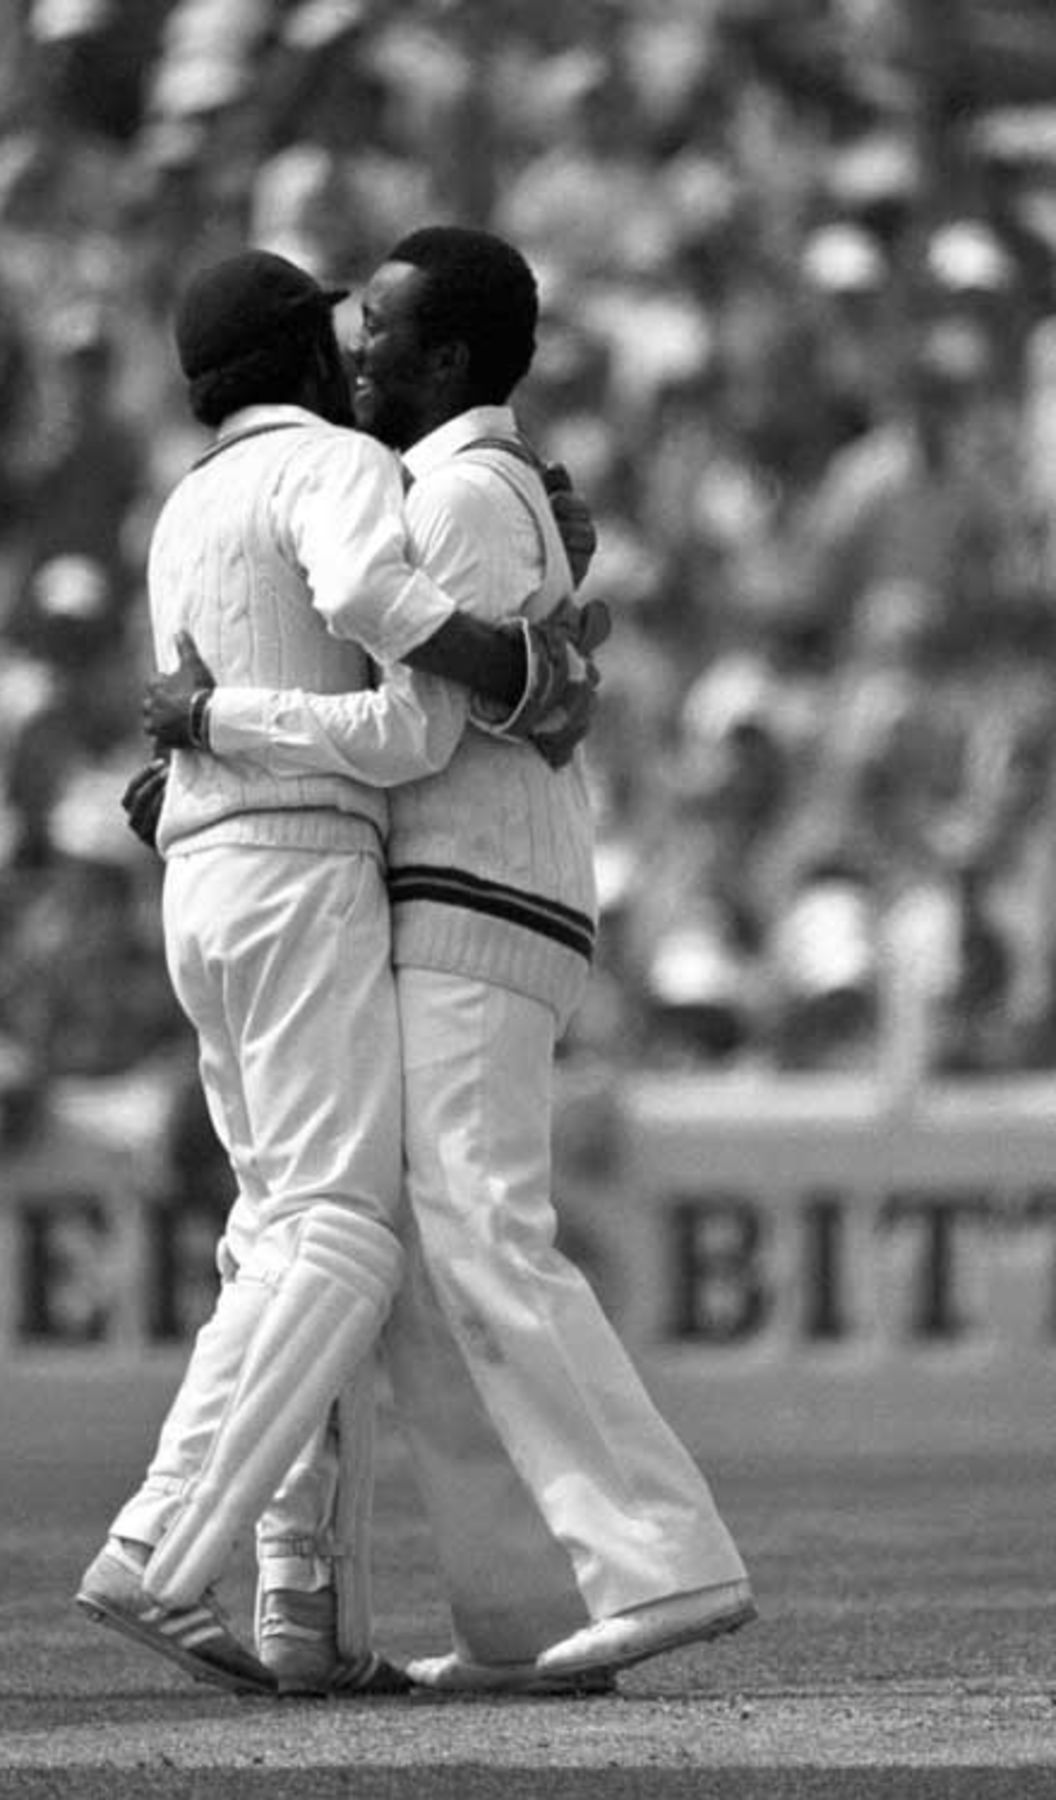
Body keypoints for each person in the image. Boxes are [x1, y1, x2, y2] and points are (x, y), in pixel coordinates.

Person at [139, 227, 754, 1694]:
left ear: (454, 362)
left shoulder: (468, 493)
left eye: (388, 337)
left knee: (479, 1227)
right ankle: (524, 1616)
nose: (360, 356)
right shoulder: (462, 485)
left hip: (480, 891)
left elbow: (428, 717)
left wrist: (220, 731)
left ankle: (668, 1561)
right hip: (460, 891)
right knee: (426, 1261)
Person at [74, 245, 602, 1699]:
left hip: (204, 889)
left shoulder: (184, 506)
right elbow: (407, 727)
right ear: (309, 356)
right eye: (346, 336)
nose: (364, 359)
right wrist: (525, 659)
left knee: (279, 1239)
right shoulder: (340, 474)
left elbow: (190, 710)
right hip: (302, 869)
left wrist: (205, 735)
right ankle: (163, 1550)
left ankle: (307, 1606)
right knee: (342, 1237)